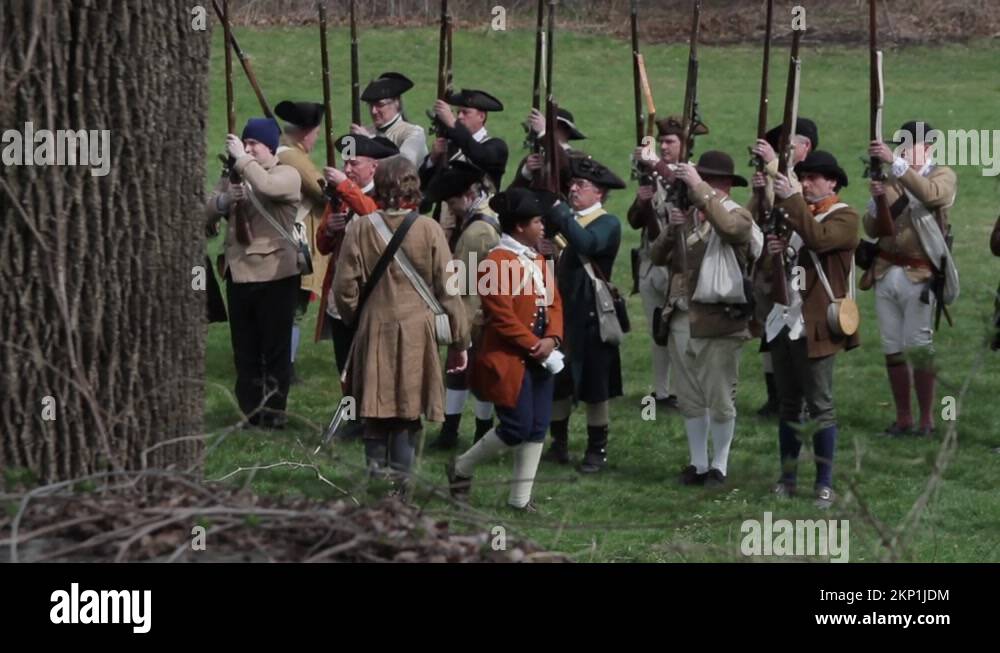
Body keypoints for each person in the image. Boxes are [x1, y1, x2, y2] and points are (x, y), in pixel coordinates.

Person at [332, 156, 469, 485]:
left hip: (373, 327)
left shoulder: (361, 228)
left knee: (374, 411)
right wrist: (460, 341)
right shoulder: (430, 229)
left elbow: (344, 289)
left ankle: (376, 483)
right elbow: (450, 292)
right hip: (417, 332)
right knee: (408, 414)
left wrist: (359, 319)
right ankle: (400, 489)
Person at [447, 188, 564, 511]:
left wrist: (552, 339)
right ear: (520, 226)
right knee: (516, 426)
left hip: (542, 354)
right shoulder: (495, 262)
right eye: (537, 222)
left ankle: (520, 500)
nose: (543, 227)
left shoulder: (538, 258)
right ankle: (462, 467)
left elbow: (553, 301)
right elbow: (501, 315)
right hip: (510, 356)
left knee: (538, 425)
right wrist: (534, 344)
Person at [649, 151, 759, 486]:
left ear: (720, 184)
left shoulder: (736, 214)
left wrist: (699, 188)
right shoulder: (691, 216)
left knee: (720, 396)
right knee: (690, 396)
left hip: (719, 320)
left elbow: (731, 229)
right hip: (682, 315)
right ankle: (698, 463)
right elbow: (657, 255)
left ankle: (719, 465)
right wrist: (673, 229)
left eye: (703, 180)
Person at [758, 151, 860, 508]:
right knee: (789, 404)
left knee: (821, 406)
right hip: (786, 317)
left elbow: (818, 240)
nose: (806, 183)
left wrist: (793, 200)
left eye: (813, 178)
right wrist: (775, 250)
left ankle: (824, 483)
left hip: (816, 322)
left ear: (832, 182)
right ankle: (787, 478)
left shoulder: (846, 217)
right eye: (803, 178)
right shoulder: (796, 212)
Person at [204, 118, 302, 428]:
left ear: (269, 146)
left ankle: (274, 414)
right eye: (244, 144)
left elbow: (267, 186)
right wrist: (223, 200)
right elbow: (203, 209)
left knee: (274, 350)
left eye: (252, 144)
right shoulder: (236, 175)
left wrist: (241, 160)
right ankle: (250, 413)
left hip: (276, 275)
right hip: (239, 274)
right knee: (244, 351)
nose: (246, 149)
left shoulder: (286, 174)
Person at [864, 121, 958, 437]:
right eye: (901, 145)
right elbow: (873, 229)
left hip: (920, 273)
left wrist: (896, 164)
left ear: (928, 147)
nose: (904, 150)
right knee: (892, 347)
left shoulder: (942, 176)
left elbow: (931, 195)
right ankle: (903, 418)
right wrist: (876, 200)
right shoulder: (893, 178)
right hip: (886, 269)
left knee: (918, 347)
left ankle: (927, 420)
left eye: (909, 144)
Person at [540, 156, 627, 473]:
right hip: (563, 313)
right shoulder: (568, 222)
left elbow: (587, 243)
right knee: (559, 382)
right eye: (572, 184)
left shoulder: (607, 223)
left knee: (595, 388)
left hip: (591, 315)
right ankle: (558, 444)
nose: (574, 189)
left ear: (599, 193)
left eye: (582, 185)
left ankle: (596, 450)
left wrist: (562, 215)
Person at [627, 115, 708, 410]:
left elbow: (684, 189)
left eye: (670, 141)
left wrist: (654, 165)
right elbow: (635, 221)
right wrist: (641, 200)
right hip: (651, 263)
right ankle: (660, 392)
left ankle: (683, 389)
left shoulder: (692, 174)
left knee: (682, 333)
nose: (664, 146)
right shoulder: (652, 174)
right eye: (661, 141)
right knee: (656, 332)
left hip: (680, 265)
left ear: (684, 145)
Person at [423, 161, 502, 450]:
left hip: (476, 315)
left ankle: (462, 433)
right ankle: (466, 432)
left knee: (466, 376)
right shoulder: (488, 215)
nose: (451, 207)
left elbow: (464, 288)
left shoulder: (475, 233)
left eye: (453, 201)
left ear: (468, 194)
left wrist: (460, 335)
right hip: (488, 311)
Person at [749, 117, 819, 417]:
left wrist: (773, 163)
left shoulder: (811, 176)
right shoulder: (776, 174)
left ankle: (802, 399)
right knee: (770, 330)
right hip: (769, 259)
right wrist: (757, 193)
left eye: (788, 145)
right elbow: (754, 219)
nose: (782, 150)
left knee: (797, 332)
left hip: (797, 264)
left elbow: (799, 204)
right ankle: (777, 397)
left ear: (806, 147)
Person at [314, 134, 398, 372]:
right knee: (346, 370)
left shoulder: (384, 195)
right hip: (342, 294)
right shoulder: (340, 197)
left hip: (373, 295)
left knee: (373, 368)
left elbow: (375, 219)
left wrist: (345, 186)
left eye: (354, 163)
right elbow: (322, 245)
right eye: (346, 163)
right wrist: (330, 230)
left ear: (374, 166)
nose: (348, 169)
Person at [274, 100, 331, 382]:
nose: (317, 137)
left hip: (287, 238)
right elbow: (323, 191)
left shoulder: (282, 151)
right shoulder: (293, 157)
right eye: (316, 132)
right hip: (298, 241)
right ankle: (286, 366)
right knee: (293, 309)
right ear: (306, 132)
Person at [421, 88, 509, 243]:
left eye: (465, 112)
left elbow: (479, 155)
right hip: (443, 226)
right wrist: (433, 159)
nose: (460, 117)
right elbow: (424, 186)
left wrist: (453, 125)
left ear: (481, 116)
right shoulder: (450, 145)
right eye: (457, 112)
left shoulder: (496, 146)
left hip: (479, 225)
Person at [351, 72, 428, 166]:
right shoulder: (365, 132)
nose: (374, 111)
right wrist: (352, 144)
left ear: (397, 102)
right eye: (371, 105)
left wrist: (369, 142)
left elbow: (403, 165)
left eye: (380, 105)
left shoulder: (414, 133)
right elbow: (347, 167)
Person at [508, 107, 586, 195]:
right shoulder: (531, 160)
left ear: (565, 130)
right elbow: (512, 196)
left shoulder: (577, 159)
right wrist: (526, 173)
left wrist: (544, 133)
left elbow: (563, 167)